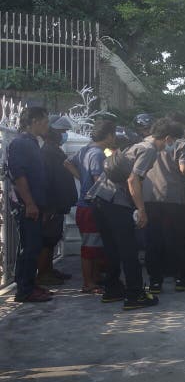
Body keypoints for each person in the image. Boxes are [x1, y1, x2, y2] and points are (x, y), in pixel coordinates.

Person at [87, 118, 184, 310]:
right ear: (168, 138)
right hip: (116, 203)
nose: (173, 145)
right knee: (129, 250)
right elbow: (133, 180)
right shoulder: (149, 150)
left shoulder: (137, 145)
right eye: (174, 141)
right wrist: (141, 210)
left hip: (100, 199)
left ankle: (112, 289)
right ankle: (134, 295)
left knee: (112, 249)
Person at [142, 125, 185, 294]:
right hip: (172, 198)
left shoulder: (146, 143)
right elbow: (184, 168)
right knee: (180, 239)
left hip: (149, 197)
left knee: (153, 240)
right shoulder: (180, 144)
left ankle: (155, 283)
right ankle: (182, 279)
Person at [7, 107, 52, 302]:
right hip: (26, 204)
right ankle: (25, 290)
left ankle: (29, 284)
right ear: (34, 121)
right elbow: (19, 176)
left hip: (34, 203)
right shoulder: (21, 143)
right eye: (45, 122)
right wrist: (30, 203)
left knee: (33, 246)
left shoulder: (32, 143)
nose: (47, 126)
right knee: (30, 247)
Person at [70, 120, 116, 294]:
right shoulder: (97, 154)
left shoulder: (85, 150)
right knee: (90, 247)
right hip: (91, 206)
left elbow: (67, 163)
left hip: (85, 206)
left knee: (94, 245)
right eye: (113, 135)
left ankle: (94, 278)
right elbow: (99, 181)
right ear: (109, 135)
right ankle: (88, 283)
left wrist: (83, 179)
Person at [36, 116, 79, 287]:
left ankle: (49, 270)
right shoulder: (47, 152)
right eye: (62, 132)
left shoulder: (54, 150)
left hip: (58, 203)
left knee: (53, 238)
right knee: (47, 239)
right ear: (52, 132)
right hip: (51, 204)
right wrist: (47, 207)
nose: (64, 135)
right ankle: (43, 274)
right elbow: (46, 181)